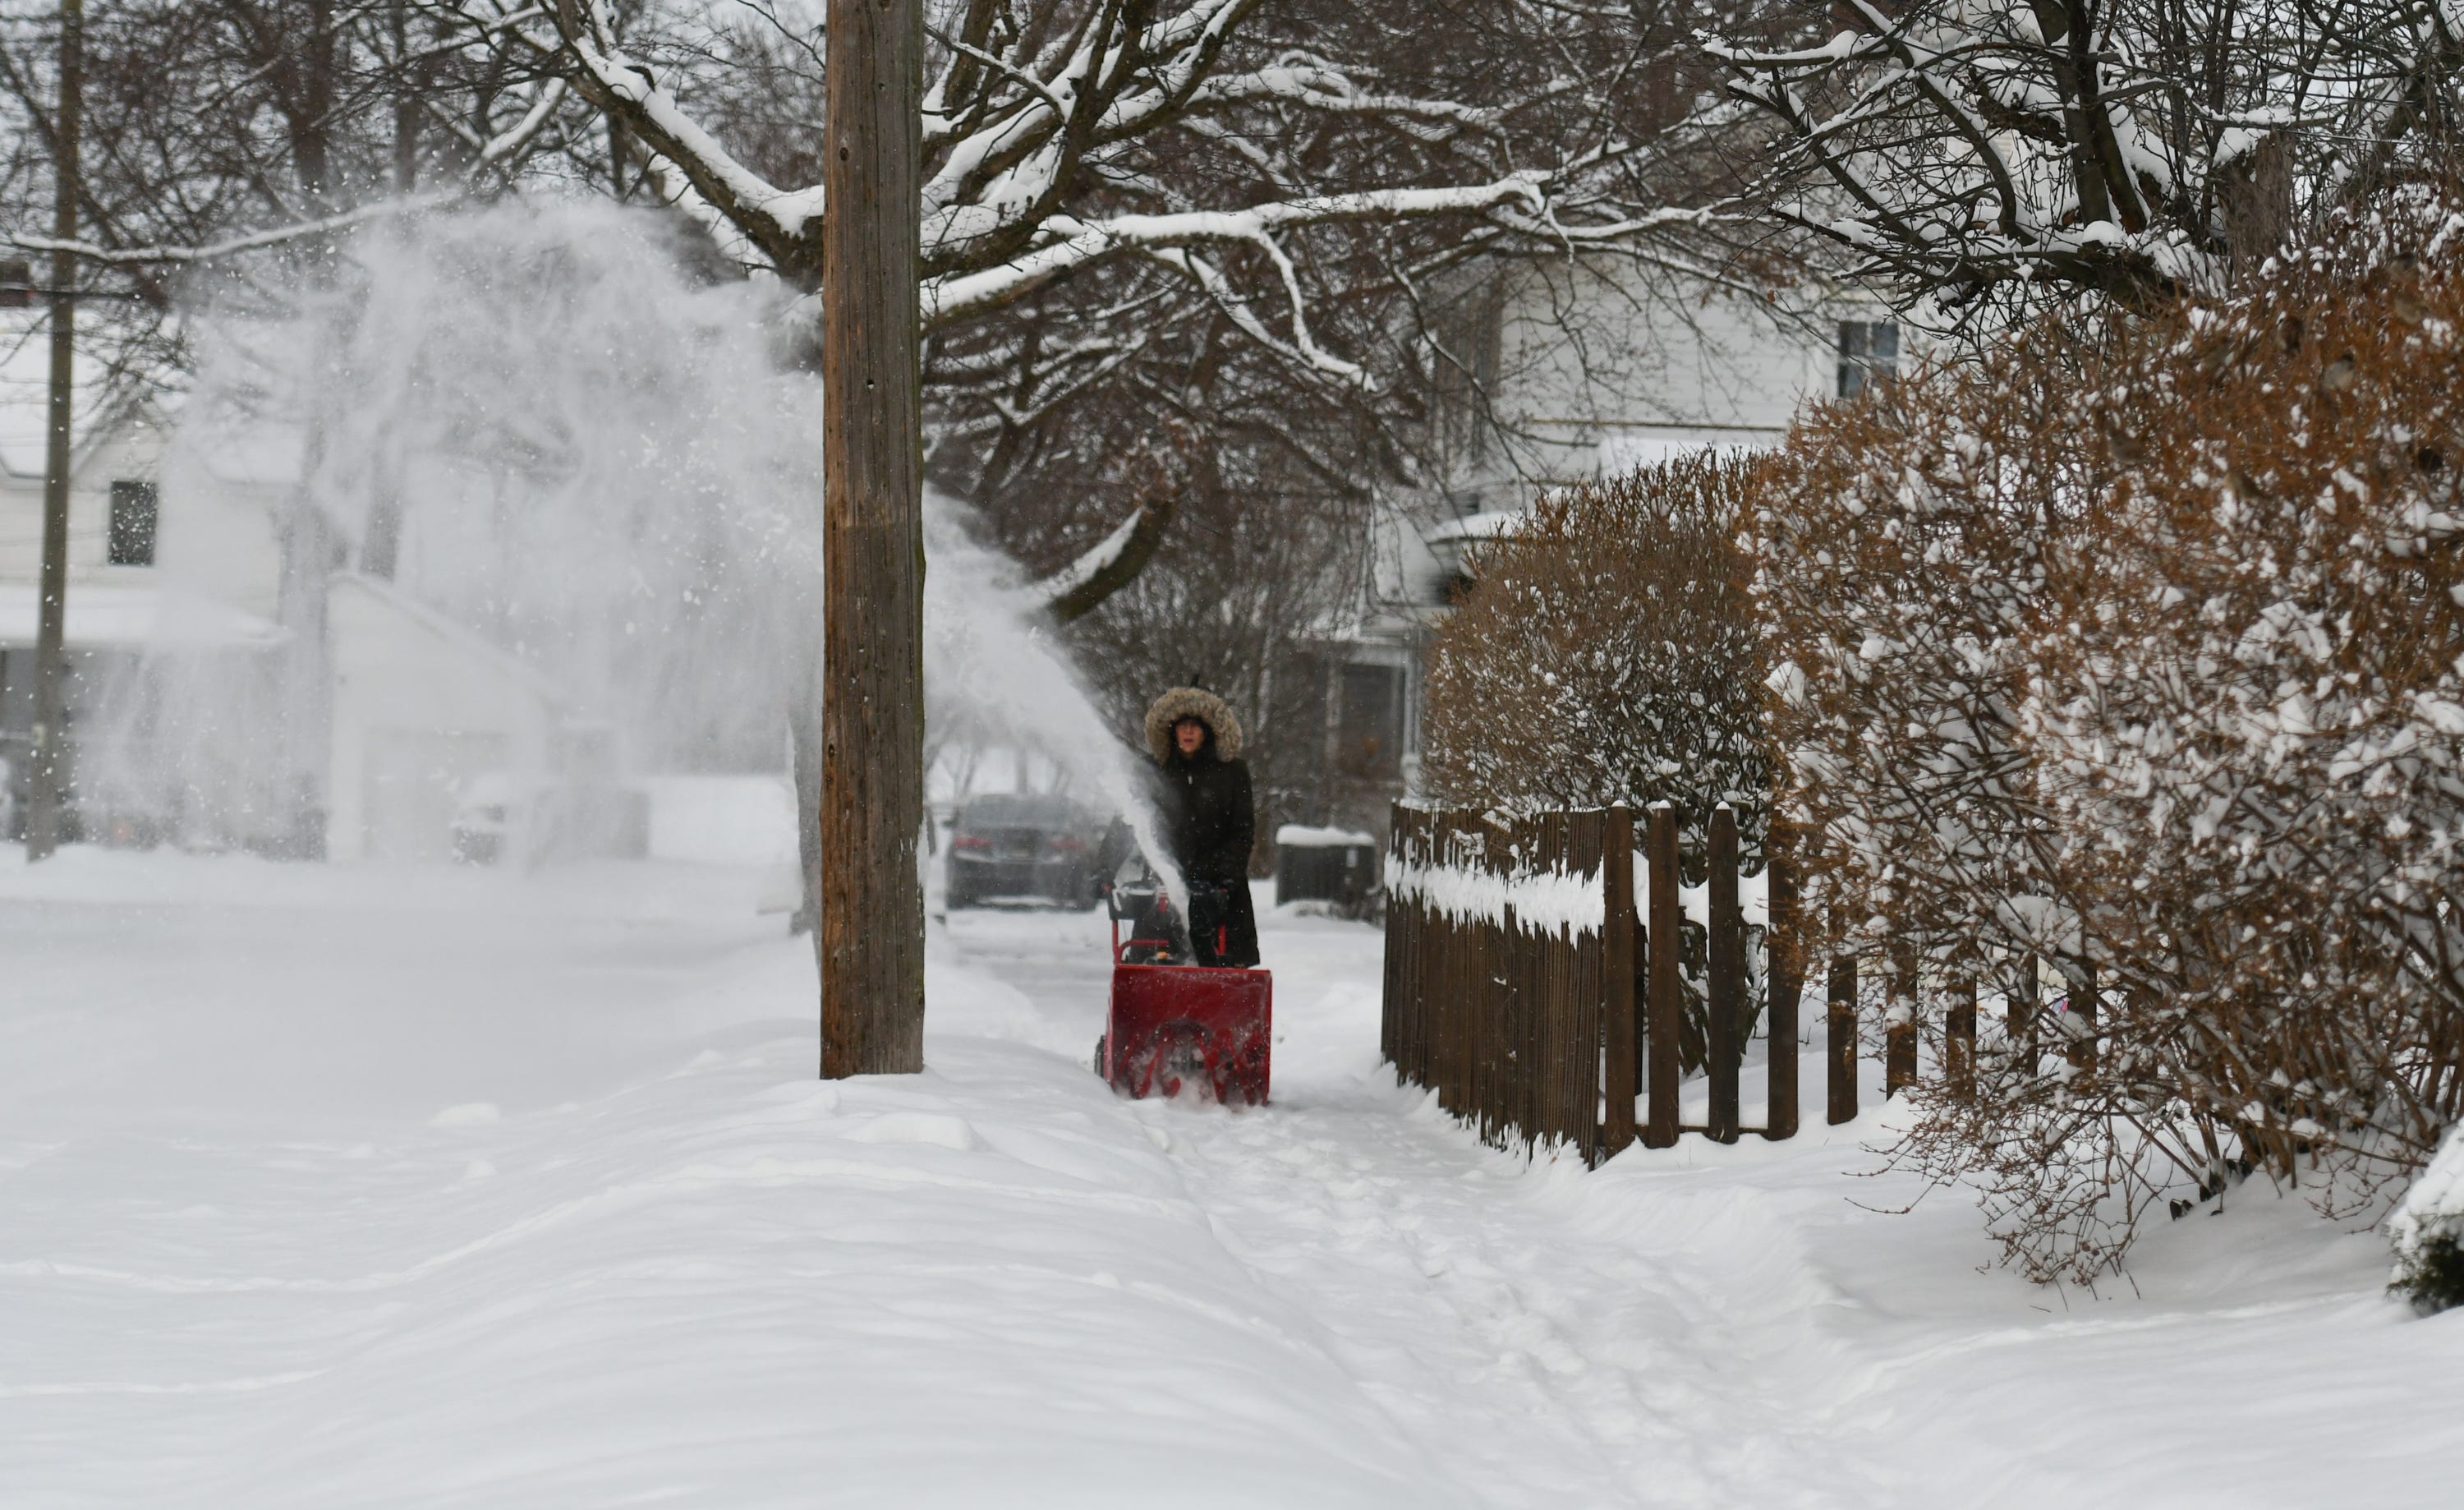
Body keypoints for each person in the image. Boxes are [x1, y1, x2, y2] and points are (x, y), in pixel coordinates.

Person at [1142, 684, 1260, 968]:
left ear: (1208, 731)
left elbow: (1242, 832)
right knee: (1156, 961)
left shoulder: (1232, 773)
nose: (1188, 732)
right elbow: (1132, 819)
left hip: (1220, 887)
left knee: (1226, 966)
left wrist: (1225, 882)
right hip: (1168, 882)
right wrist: (1105, 869)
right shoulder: (1156, 771)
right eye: (1182, 725)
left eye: (1195, 725)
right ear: (1172, 730)